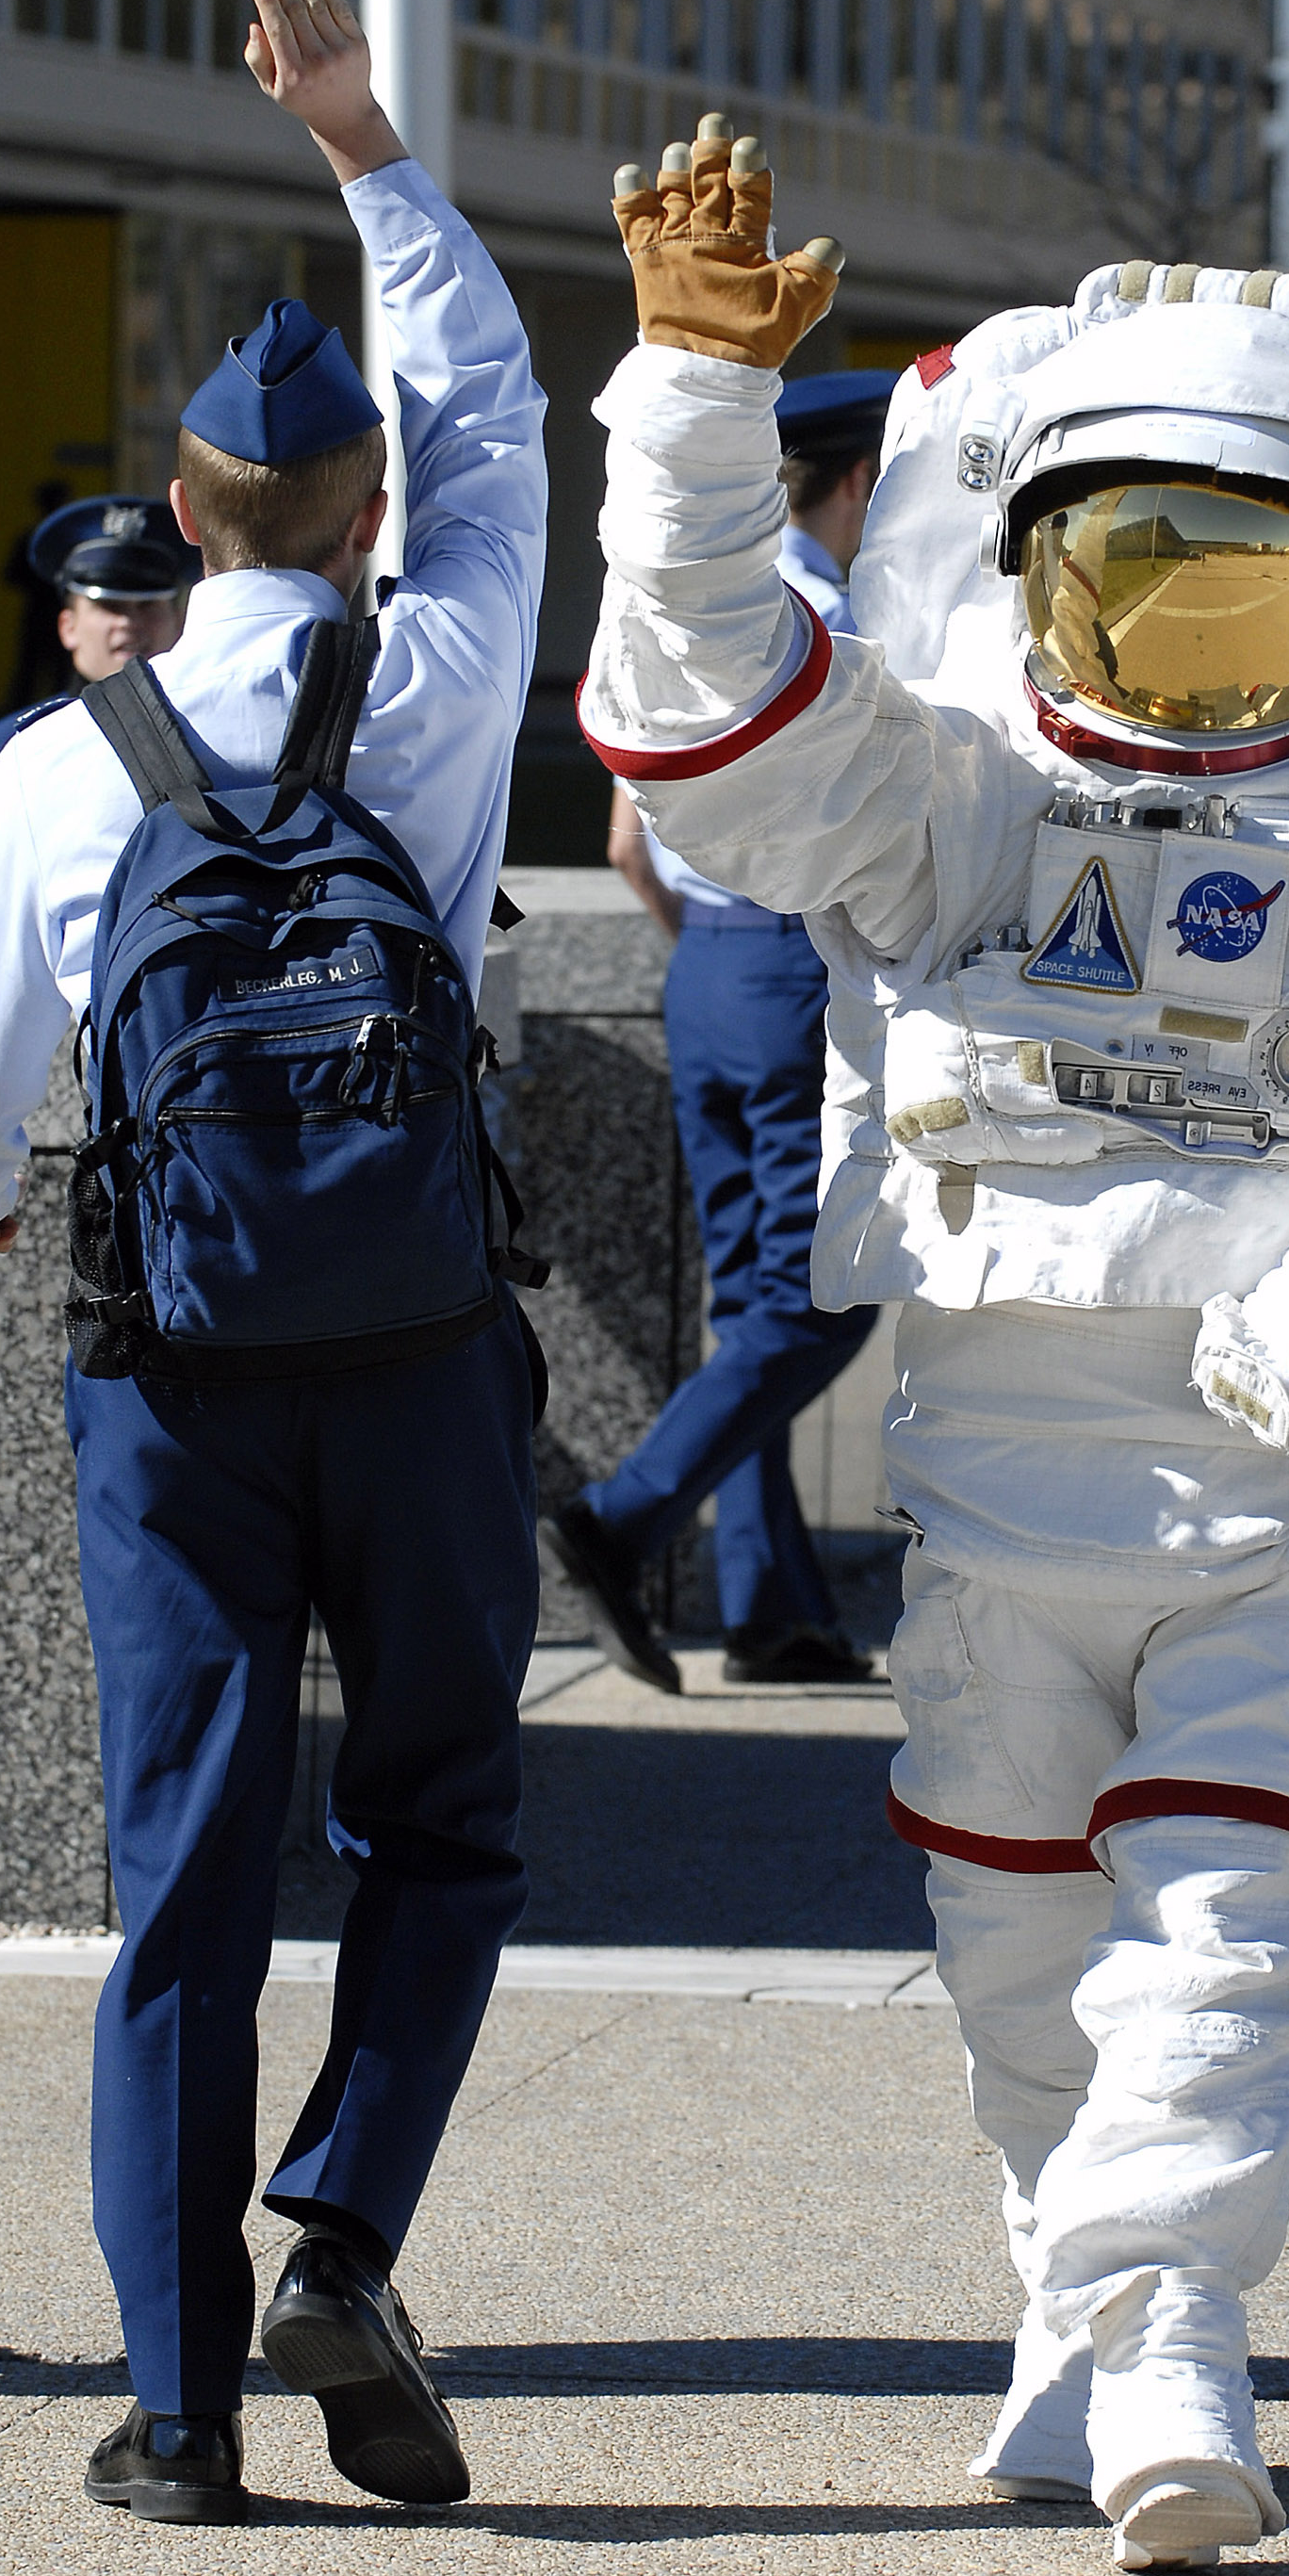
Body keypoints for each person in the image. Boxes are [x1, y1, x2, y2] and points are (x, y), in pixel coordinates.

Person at [576, 122, 1289, 2568]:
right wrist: (693, 412)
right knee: (1020, 1943)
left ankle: (1166, 2320)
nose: (1184, 650)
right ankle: (1079, 2310)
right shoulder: (956, 786)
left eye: (1250, 593)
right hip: (990, 1496)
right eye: (1135, 581)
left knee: (1243, 1919)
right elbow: (716, 727)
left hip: (1266, 1503)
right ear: (1036, 570)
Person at [0, 0, 547, 2526]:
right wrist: (363, 141)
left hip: (162, 1365)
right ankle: (347, 2227)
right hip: (421, 1345)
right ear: (364, 518)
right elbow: (490, 416)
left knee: (185, 1869)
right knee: (447, 1813)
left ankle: (177, 2413)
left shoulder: (64, 765)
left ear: (175, 523)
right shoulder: (452, 671)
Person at [546, 371, 896, 1692]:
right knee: (820, 1309)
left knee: (754, 1302)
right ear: (856, 482)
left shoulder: (688, 615)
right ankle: (622, 1518)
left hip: (707, 972)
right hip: (793, 965)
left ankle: (773, 1608)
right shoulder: (825, 622)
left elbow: (630, 836)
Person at [0, 496, 194, 879]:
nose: (127, 624)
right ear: (67, 627)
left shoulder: (210, 734)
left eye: (147, 605)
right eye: (109, 606)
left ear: (179, 620)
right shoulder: (0, 749)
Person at [3, 478, 73, 708]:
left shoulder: (32, 538)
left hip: (42, 613)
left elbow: (10, 576)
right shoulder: (64, 541)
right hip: (51, 612)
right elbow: (11, 575)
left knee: (34, 675)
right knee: (43, 675)